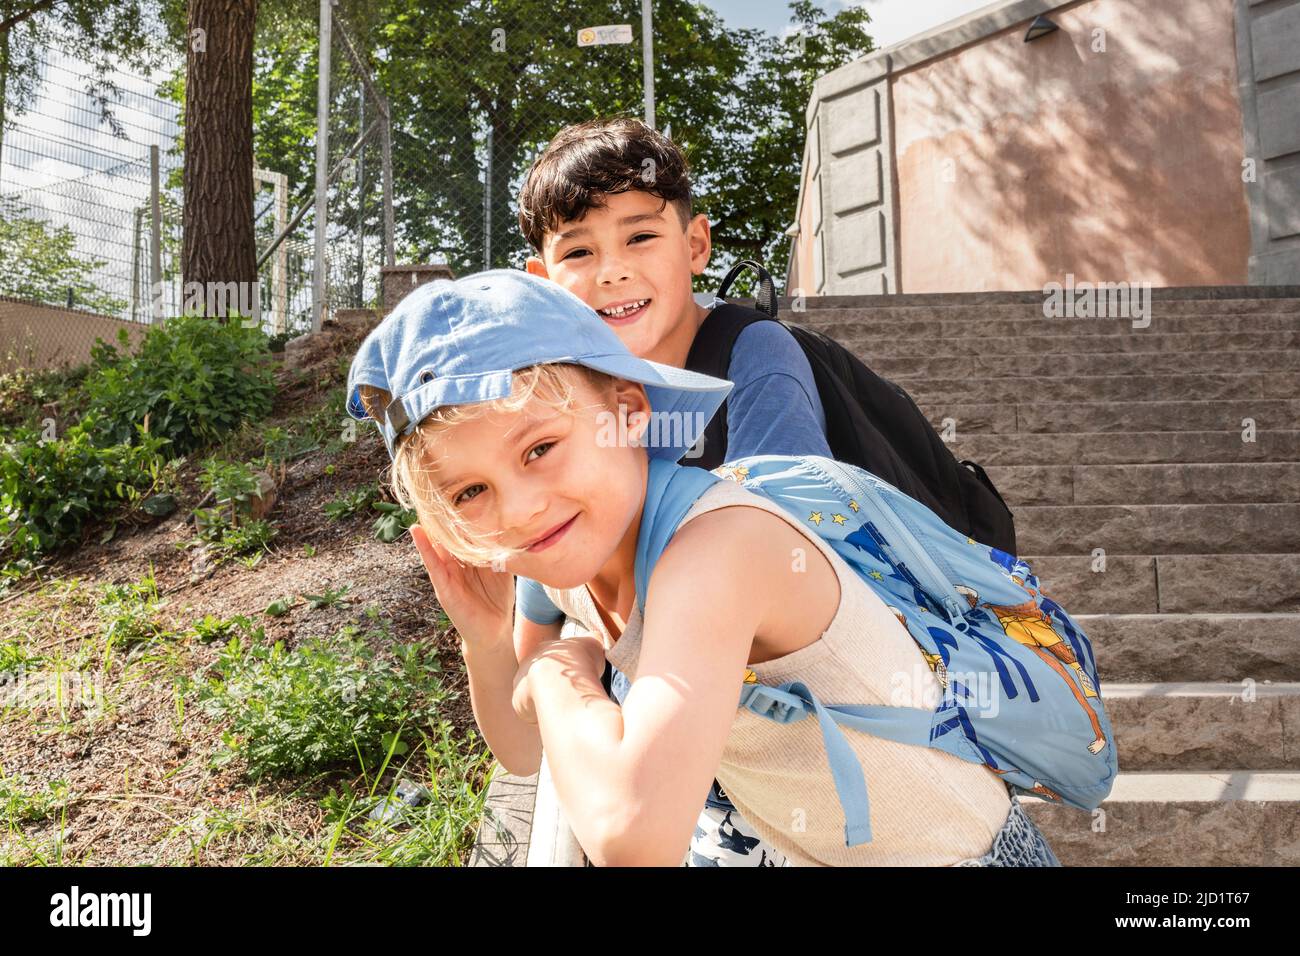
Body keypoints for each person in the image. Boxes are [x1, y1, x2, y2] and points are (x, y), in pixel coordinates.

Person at [346, 269, 1061, 866]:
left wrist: (558, 673)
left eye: (539, 449)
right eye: (471, 492)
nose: (522, 509)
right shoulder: (580, 559)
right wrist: (485, 641)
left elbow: (632, 832)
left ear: (628, 412)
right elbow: (524, 747)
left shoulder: (720, 545)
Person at [513, 116, 832, 865]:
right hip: (688, 786)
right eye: (580, 250)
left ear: (696, 246)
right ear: (542, 281)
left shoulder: (752, 356)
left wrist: (594, 641)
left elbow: (787, 544)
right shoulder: (560, 404)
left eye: (640, 237)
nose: (612, 270)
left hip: (801, 757)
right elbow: (533, 642)